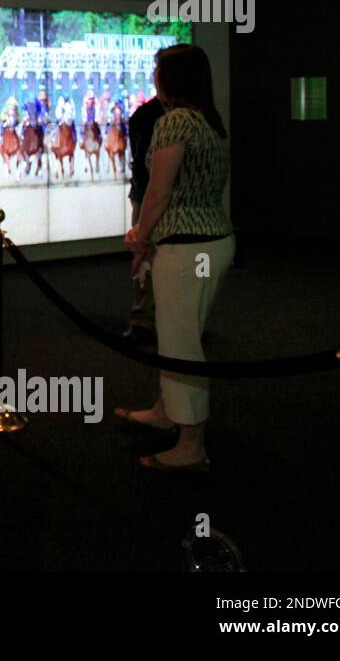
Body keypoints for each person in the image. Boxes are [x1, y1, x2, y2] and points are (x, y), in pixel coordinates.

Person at [116, 44, 234, 472]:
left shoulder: (174, 122)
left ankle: (191, 444)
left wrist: (139, 237)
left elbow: (158, 191)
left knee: (181, 345)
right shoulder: (208, 121)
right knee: (180, 334)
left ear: (169, 79)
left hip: (186, 246)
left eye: (158, 71)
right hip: (212, 239)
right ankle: (167, 410)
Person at [123, 92, 165, 346]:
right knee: (143, 257)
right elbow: (139, 158)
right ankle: (141, 317)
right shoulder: (144, 114)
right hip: (145, 192)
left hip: (156, 195)